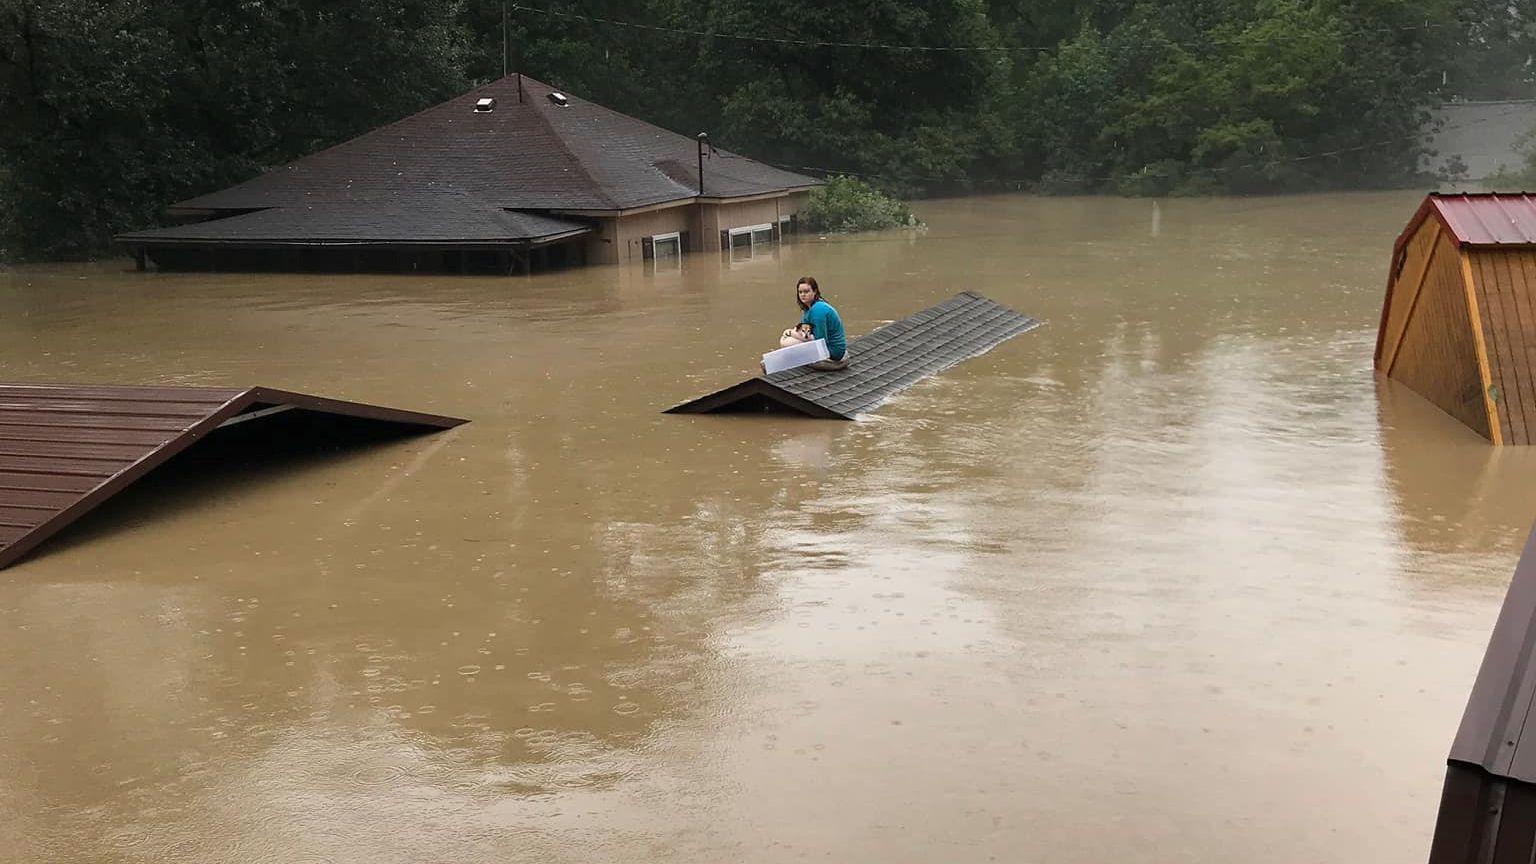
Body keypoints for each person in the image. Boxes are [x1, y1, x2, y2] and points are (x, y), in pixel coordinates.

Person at [794, 276, 849, 370]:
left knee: (788, 343)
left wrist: (793, 334)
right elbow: (804, 329)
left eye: (806, 291)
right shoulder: (809, 308)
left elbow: (820, 341)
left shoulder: (818, 310)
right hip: (831, 348)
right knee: (787, 339)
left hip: (833, 352)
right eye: (800, 292)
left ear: (814, 292)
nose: (803, 295)